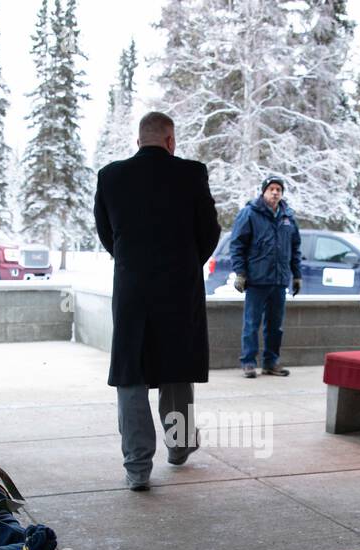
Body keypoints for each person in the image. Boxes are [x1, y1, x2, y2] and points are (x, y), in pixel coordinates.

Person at [93, 111, 221, 491]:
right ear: (171, 141)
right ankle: (179, 447)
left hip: (132, 290)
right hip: (179, 289)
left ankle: (137, 468)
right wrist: (182, 263)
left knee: (131, 374)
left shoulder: (111, 176)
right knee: (176, 368)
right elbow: (209, 232)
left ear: (138, 141)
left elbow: (106, 232)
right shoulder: (191, 173)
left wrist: (133, 262)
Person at [229, 176, 302, 377]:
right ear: (264, 192)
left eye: (279, 189)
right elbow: (237, 245)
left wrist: (297, 275)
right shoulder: (250, 214)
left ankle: (271, 362)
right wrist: (240, 273)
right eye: (271, 188)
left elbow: (295, 248)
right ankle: (248, 362)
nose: (275, 192)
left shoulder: (288, 217)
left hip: (279, 281)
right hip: (257, 279)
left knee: (275, 326)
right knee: (252, 324)